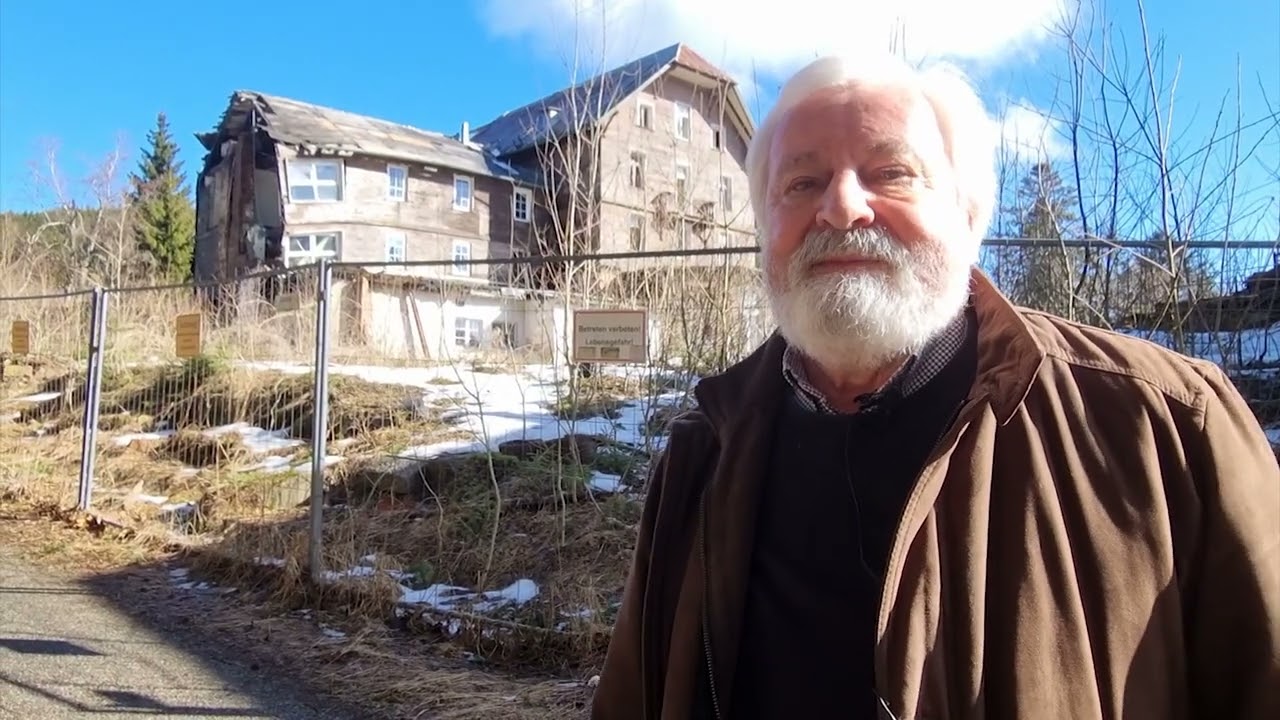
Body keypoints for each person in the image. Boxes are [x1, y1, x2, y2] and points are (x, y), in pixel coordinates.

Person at [589, 52, 1280, 720]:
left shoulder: (1165, 430)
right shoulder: (701, 457)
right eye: (801, 183)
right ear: (765, 228)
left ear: (969, 215)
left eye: (891, 171)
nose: (841, 207)